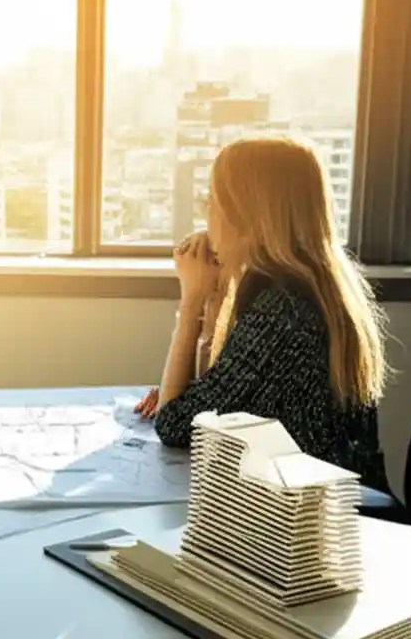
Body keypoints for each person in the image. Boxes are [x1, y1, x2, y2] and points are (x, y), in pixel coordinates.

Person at [135, 137, 391, 490]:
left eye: (212, 202)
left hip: (302, 521)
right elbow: (212, 399)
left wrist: (191, 301)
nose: (206, 217)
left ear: (247, 215)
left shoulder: (282, 311)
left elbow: (175, 426)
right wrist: (213, 303)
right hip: (322, 505)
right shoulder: (314, 288)